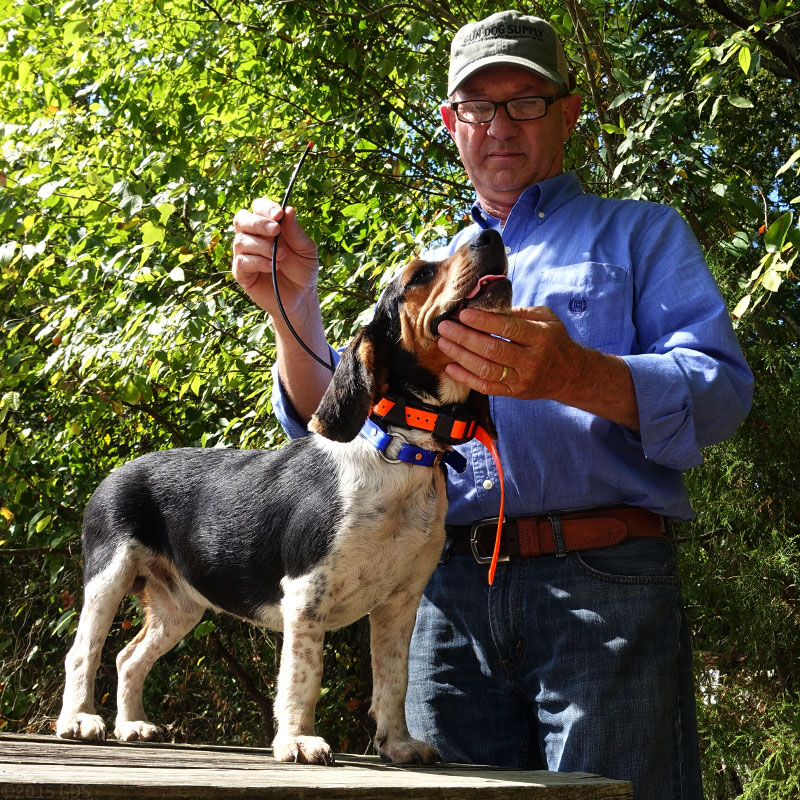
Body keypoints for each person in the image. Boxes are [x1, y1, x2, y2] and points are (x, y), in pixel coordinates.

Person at [231, 10, 753, 799]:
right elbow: (336, 434)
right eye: (479, 105)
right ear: (451, 124)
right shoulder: (430, 269)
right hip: (435, 598)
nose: (500, 125)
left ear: (569, 112)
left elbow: (722, 395)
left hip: (604, 584)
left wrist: (578, 374)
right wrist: (290, 306)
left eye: (526, 101)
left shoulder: (643, 235)